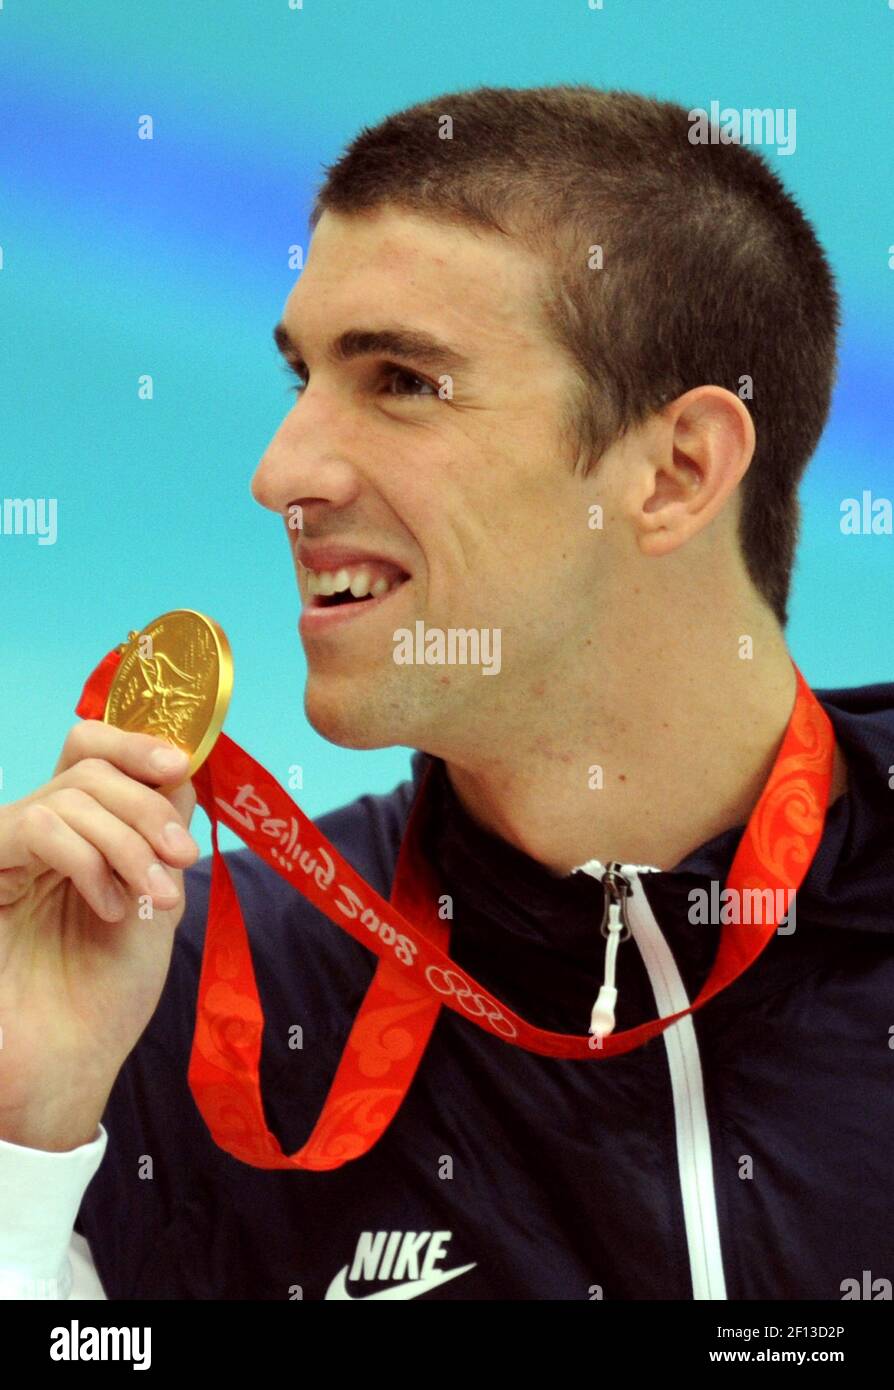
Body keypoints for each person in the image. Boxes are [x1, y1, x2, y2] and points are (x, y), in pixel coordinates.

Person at [1, 84, 892, 1302]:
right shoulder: (179, 987)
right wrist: (26, 1136)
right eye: (301, 378)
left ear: (677, 471)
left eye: (404, 381)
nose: (281, 474)